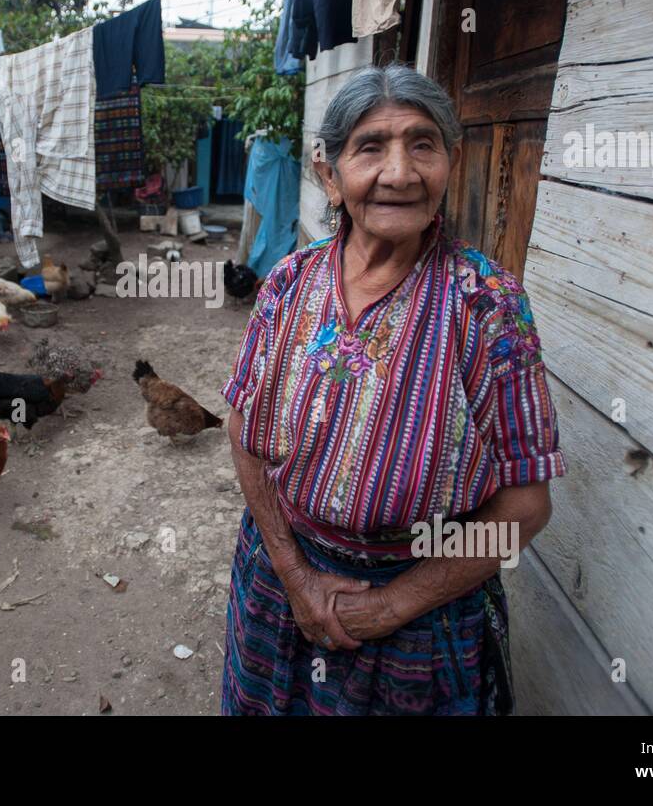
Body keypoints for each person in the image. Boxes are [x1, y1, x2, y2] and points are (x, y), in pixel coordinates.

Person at [220, 64, 565, 715]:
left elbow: (525, 505)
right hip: (277, 582)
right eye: (371, 147)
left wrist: (389, 604)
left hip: (418, 621)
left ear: (449, 162)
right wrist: (296, 577)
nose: (401, 172)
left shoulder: (487, 306)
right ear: (330, 173)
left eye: (423, 143)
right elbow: (245, 434)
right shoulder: (289, 285)